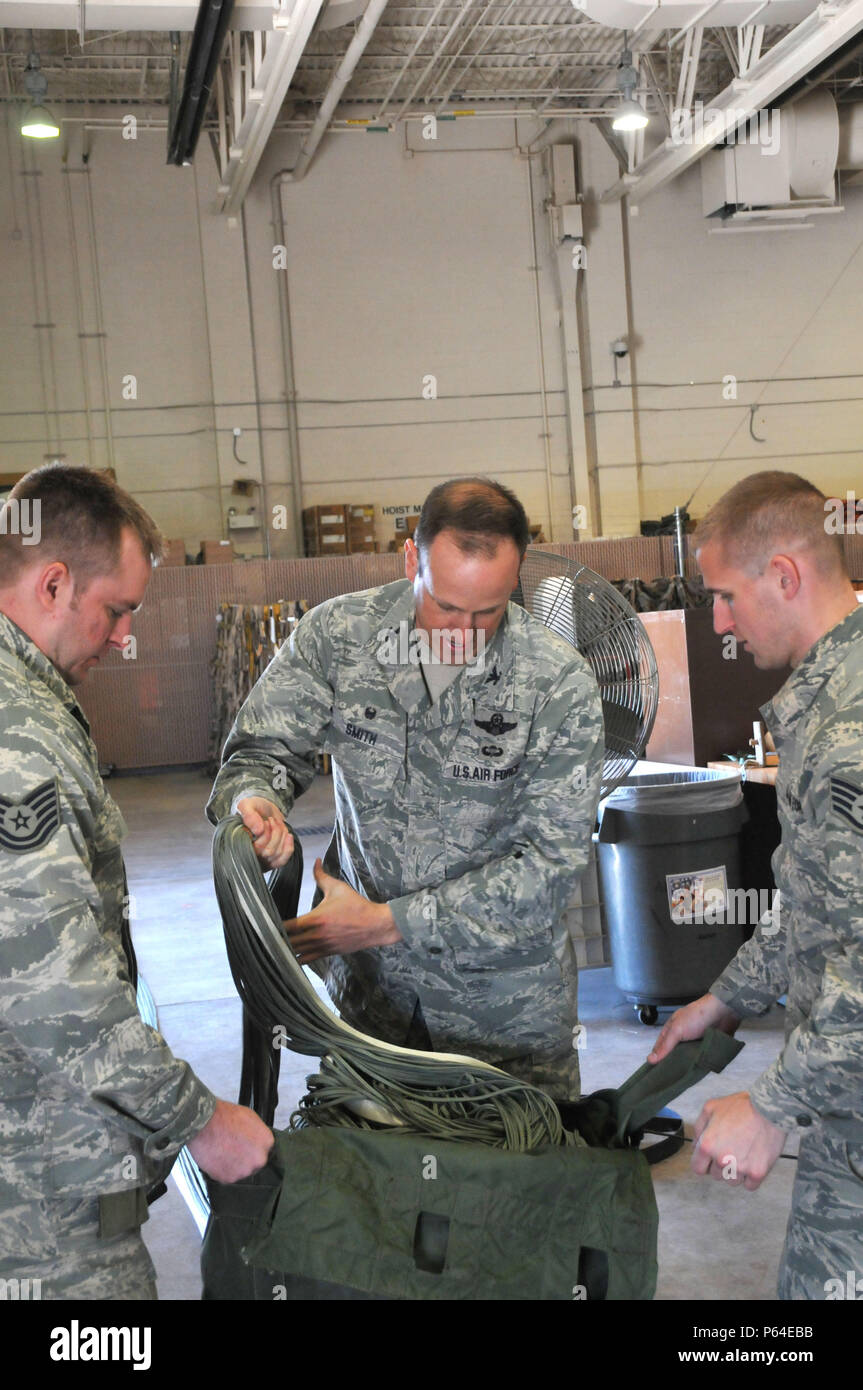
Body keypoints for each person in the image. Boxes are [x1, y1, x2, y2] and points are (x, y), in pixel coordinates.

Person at [207, 478, 605, 1098]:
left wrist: (384, 922)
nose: (467, 631)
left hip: (504, 1018)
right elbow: (263, 749)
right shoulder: (338, 638)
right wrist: (255, 801)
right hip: (373, 1008)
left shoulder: (558, 684)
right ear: (409, 559)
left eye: (489, 611)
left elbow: (549, 870)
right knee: (381, 1181)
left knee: (516, 1187)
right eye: (446, 606)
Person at [0, 464, 273, 1301]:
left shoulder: (32, 698)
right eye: (115, 609)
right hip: (42, 1205)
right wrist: (201, 1121)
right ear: (53, 583)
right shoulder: (16, 737)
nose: (124, 637)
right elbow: (57, 992)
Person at [647, 470, 862, 1300]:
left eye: (725, 595)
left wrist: (771, 1102)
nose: (719, 621)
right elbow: (817, 898)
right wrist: (727, 997)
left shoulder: (848, 730)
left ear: (785, 575)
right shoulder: (826, 698)